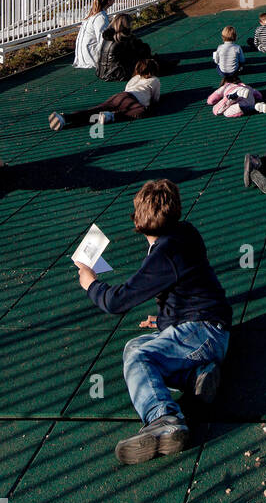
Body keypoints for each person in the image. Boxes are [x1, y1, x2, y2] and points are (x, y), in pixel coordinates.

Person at [77, 178, 231, 464]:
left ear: (136, 221)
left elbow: (116, 301)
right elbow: (191, 287)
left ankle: (163, 418)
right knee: (134, 346)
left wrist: (91, 284)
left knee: (139, 356)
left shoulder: (163, 255)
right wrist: (165, 320)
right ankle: (196, 375)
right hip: (210, 329)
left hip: (201, 331)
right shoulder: (187, 233)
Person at [50, 58, 162, 130]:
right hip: (133, 99)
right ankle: (111, 116)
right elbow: (155, 99)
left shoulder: (134, 78)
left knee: (95, 109)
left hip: (120, 96)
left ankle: (65, 117)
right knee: (141, 111)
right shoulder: (155, 80)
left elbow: (127, 88)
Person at [96, 13, 151, 82]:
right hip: (118, 74)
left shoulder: (108, 36)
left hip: (101, 72)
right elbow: (136, 54)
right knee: (147, 64)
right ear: (126, 25)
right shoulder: (123, 38)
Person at [74, 0, 114, 69]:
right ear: (109, 2)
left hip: (83, 56)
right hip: (90, 58)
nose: (114, 0)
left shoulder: (92, 15)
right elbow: (104, 39)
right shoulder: (100, 18)